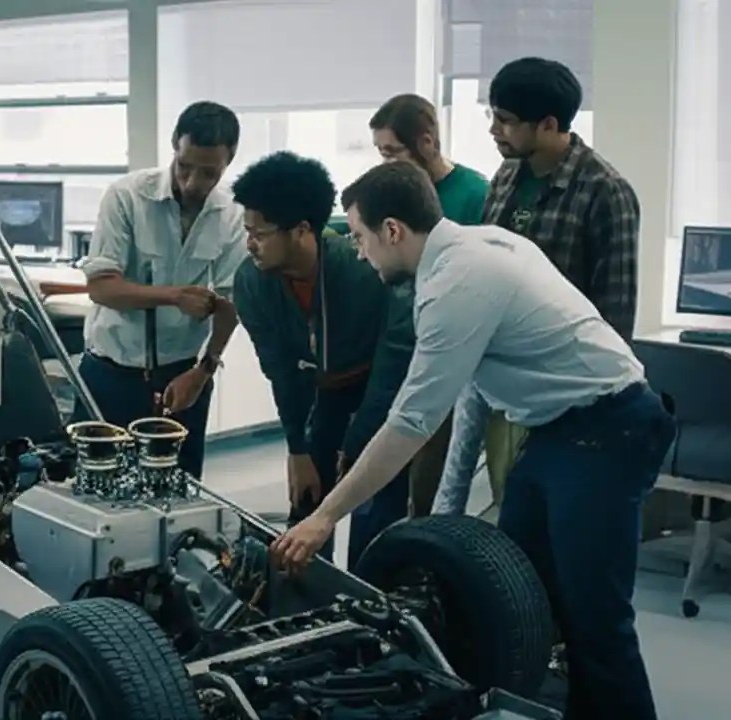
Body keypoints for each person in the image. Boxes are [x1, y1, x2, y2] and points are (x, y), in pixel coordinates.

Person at [271, 161, 673, 720]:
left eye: (360, 238)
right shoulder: (480, 244)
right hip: (560, 432)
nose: (358, 253)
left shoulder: (458, 282)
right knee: (519, 593)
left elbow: (411, 423)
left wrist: (325, 518)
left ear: (392, 230)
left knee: (595, 614)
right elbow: (460, 397)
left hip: (609, 428)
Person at [434, 57, 642, 517]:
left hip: (560, 388)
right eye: (493, 116)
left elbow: (615, 310)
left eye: (505, 121)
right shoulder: (508, 176)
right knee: (475, 501)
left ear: (549, 125)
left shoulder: (605, 191)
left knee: (536, 512)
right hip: (497, 370)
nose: (493, 130)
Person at [229, 151, 414, 564]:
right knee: (307, 503)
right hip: (321, 395)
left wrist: (359, 441)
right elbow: (279, 371)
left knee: (375, 505)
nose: (250, 243)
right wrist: (297, 449)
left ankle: (375, 596)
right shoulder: (251, 283)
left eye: (260, 233)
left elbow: (392, 365)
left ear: (301, 230)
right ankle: (307, 603)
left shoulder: (364, 269)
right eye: (247, 231)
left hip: (380, 394)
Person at [74, 101, 246, 479]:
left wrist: (204, 369)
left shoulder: (233, 213)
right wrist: (174, 296)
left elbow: (232, 302)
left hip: (184, 377)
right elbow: (101, 288)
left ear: (229, 161)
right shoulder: (127, 196)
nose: (193, 183)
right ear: (174, 145)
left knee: (177, 496)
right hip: (110, 374)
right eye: (185, 167)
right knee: (95, 491)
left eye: (209, 173)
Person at [368, 93, 491, 515]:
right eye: (381, 154)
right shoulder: (391, 193)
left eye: (393, 152)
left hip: (453, 349)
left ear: (426, 142)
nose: (387, 163)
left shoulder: (475, 194)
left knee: (433, 473)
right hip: (402, 342)